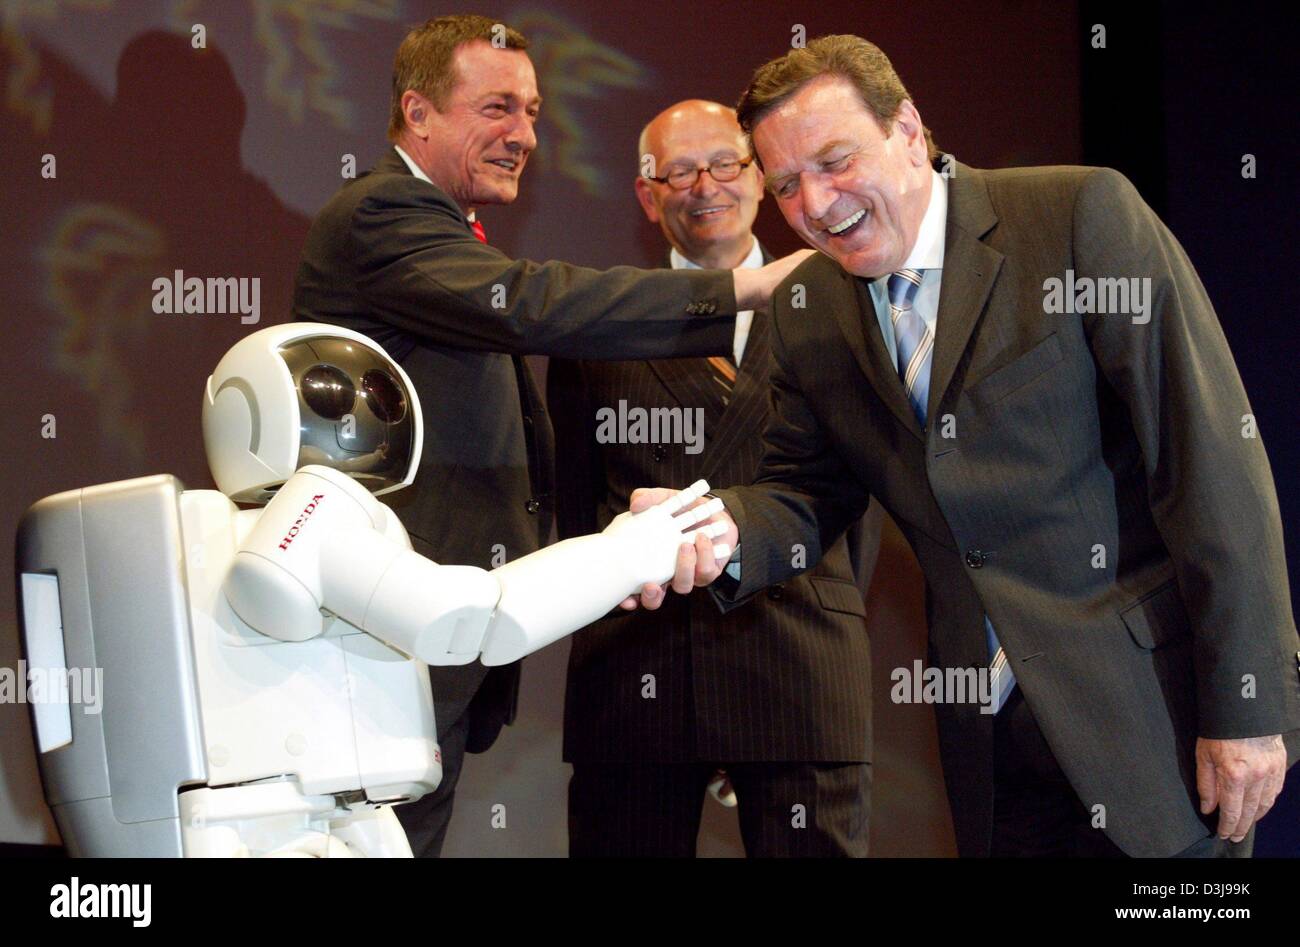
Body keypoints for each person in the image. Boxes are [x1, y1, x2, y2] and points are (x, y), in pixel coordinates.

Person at [632, 34, 1300, 857]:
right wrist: (715, 526)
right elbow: (802, 490)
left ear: (908, 128)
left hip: (1153, 725)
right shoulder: (807, 305)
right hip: (989, 750)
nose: (815, 202)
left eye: (836, 160)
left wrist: (1250, 706)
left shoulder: (1078, 215)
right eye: (785, 184)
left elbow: (1209, 462)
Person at [291, 15, 807, 857]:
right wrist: (745, 289)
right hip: (383, 640)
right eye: (498, 107)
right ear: (417, 113)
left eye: (532, 111)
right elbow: (537, 303)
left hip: (424, 643)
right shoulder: (382, 213)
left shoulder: (444, 229)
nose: (525, 134)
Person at [549, 100, 882, 857]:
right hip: (639, 675)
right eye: (678, 170)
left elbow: (855, 507)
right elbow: (577, 511)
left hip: (801, 663)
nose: (706, 185)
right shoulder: (597, 323)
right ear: (646, 193)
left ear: (760, 177)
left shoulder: (841, 302)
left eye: (725, 163)